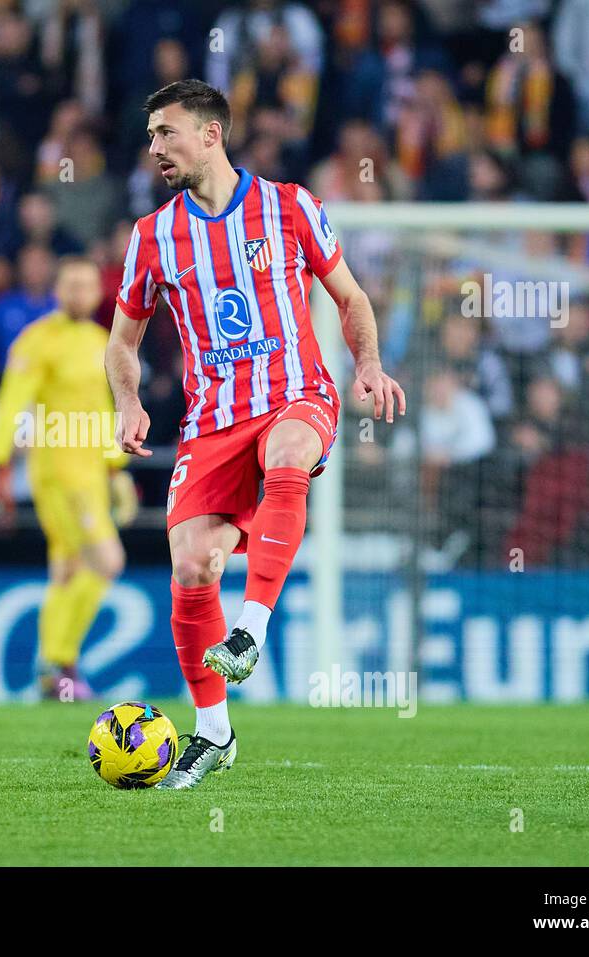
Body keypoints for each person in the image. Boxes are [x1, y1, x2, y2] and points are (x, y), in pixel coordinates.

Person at [106, 79, 405, 789]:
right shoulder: (153, 238)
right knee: (191, 564)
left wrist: (366, 363)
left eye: (166, 133)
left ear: (211, 134)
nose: (155, 149)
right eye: (150, 137)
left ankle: (252, 627)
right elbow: (123, 341)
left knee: (291, 452)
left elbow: (351, 297)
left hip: (294, 395)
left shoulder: (292, 207)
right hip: (211, 422)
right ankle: (214, 733)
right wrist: (126, 401)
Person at [0, 258, 139, 700]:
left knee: (66, 571)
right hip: (59, 475)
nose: (80, 293)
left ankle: (52, 674)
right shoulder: (37, 340)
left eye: (87, 285)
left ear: (98, 293)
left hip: (90, 474)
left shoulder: (101, 339)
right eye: (71, 285)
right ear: (57, 290)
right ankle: (60, 660)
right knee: (108, 563)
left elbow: (105, 409)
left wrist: (115, 470)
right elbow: (13, 402)